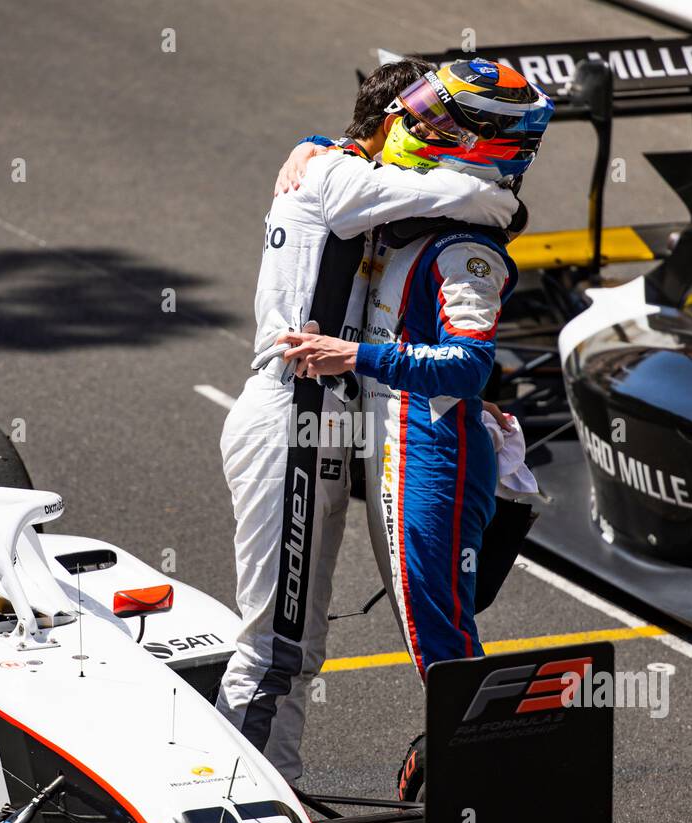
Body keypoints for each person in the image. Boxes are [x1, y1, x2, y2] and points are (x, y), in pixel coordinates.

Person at [217, 59, 521, 782]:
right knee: (277, 646)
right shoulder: (336, 176)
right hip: (293, 414)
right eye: (427, 125)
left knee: (294, 645)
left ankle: (274, 791)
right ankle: (246, 805)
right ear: (393, 126)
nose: (436, 144)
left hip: (324, 419)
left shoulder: (335, 165)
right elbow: (475, 201)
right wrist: (497, 194)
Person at [279, 59, 552, 679]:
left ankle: (492, 741)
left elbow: (469, 365)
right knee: (424, 632)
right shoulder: (416, 218)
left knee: (439, 639)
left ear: (479, 145)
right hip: (392, 441)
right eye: (411, 111)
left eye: (430, 119)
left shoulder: (467, 249)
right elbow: (364, 152)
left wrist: (355, 356)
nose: (406, 122)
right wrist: (315, 145)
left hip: (431, 453)